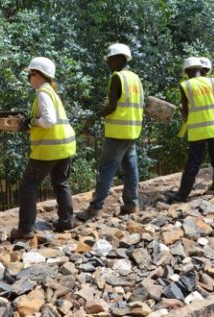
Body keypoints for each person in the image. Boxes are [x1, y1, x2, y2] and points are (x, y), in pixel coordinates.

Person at [77, 44, 144, 221]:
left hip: (117, 132)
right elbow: (125, 103)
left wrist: (95, 116)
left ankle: (95, 208)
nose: (108, 63)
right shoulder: (135, 78)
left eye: (110, 59)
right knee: (131, 169)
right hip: (132, 130)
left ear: (119, 59)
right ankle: (131, 204)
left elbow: (113, 106)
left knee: (106, 169)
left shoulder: (117, 77)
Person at [12, 57, 77, 239]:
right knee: (60, 182)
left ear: (39, 75)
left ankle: (26, 229)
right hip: (65, 146)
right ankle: (66, 222)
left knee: (28, 186)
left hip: (49, 150)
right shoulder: (52, 92)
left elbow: (49, 121)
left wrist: (30, 122)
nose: (29, 79)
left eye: (30, 75)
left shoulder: (42, 93)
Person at [166, 57, 214, 203]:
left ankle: (182, 194)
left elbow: (185, 111)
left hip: (197, 131)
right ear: (200, 69)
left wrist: (184, 116)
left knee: (193, 163)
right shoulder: (213, 82)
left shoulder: (186, 85)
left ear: (187, 71)